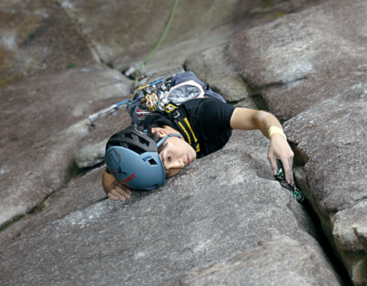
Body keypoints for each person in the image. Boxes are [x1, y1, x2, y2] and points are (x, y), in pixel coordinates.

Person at [101, 75, 294, 201]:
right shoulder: (138, 146)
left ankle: (159, 85)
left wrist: (277, 137)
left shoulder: (205, 115)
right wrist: (113, 186)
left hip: (185, 100)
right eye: (167, 172)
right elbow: (109, 171)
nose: (177, 165)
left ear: (161, 133)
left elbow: (259, 117)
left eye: (168, 158)